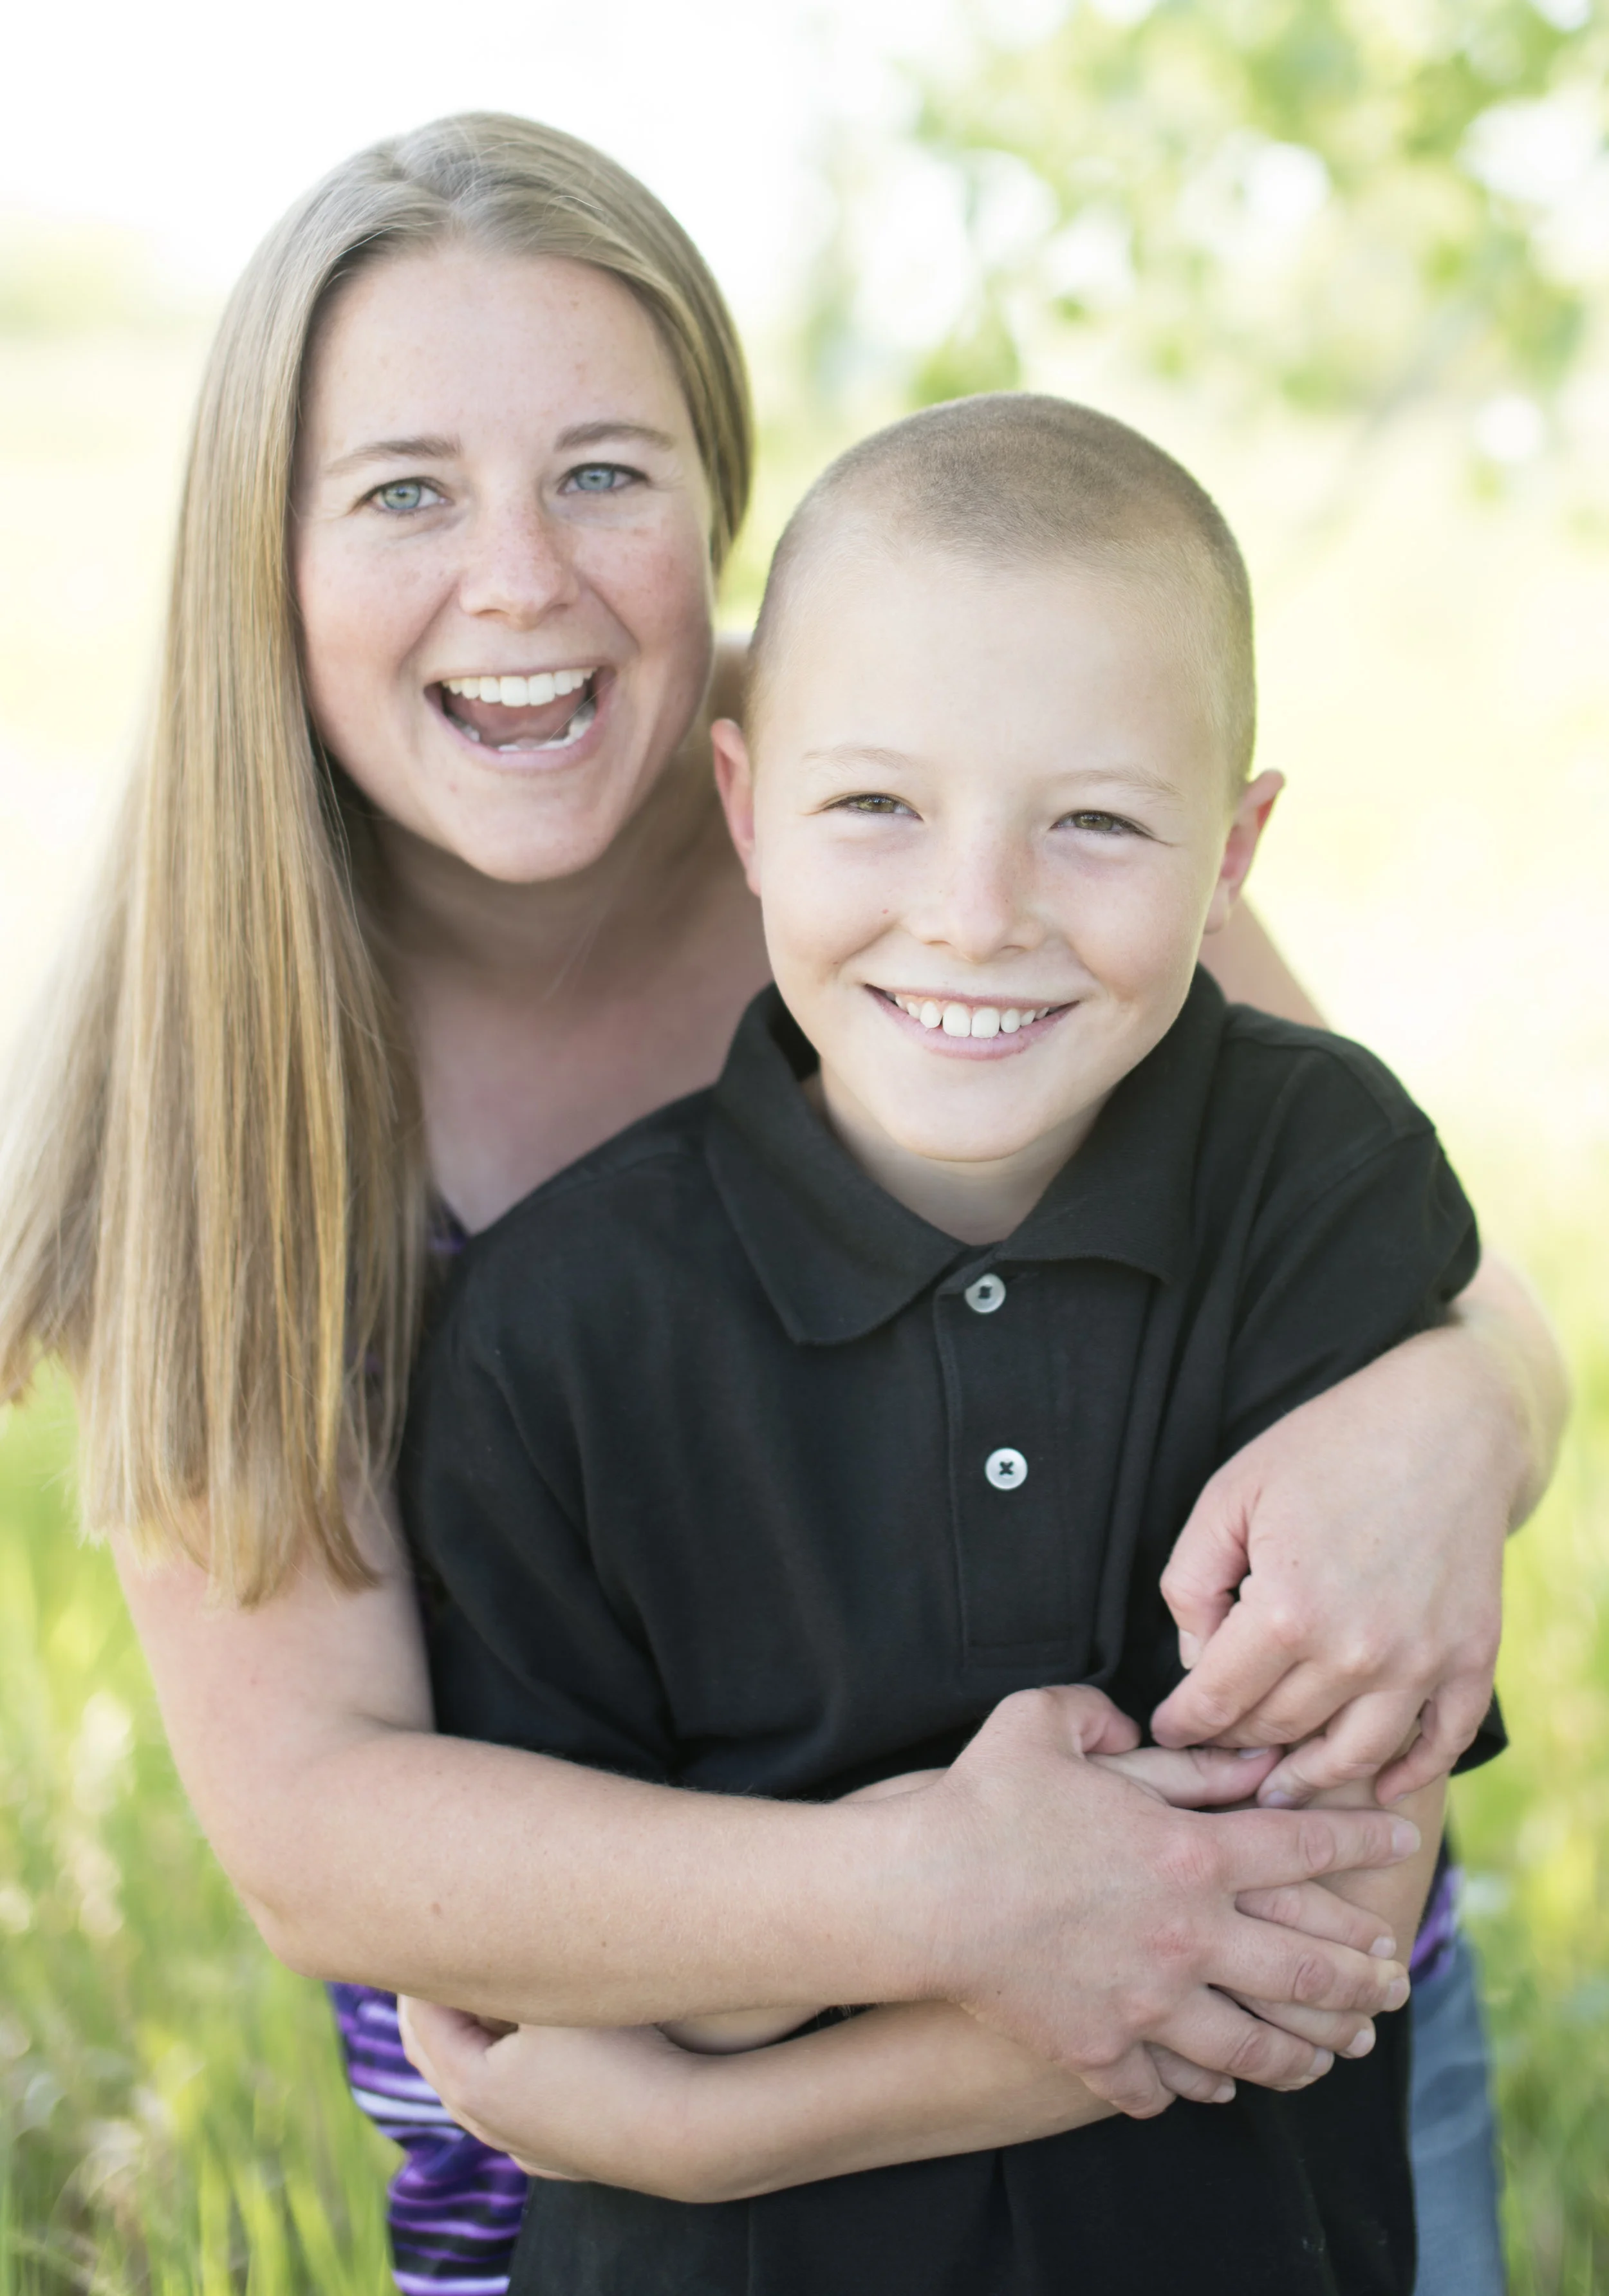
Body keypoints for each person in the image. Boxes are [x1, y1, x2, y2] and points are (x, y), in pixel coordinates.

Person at [0, 115, 1550, 2294]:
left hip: (1251, 2095)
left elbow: (1446, 1294)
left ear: (718, 500)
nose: (522, 577)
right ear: (262, 553)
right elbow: (325, 1834)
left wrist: (1448, 1428)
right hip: (624, 2181)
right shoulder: (221, 1075)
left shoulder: (941, 796)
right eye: (405, 488)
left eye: (605, 470)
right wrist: (828, 2028)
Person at [391, 392, 1492, 2295]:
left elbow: (1328, 1916)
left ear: (1231, 847)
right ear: (743, 808)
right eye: (874, 805)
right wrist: (986, 1918)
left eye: (1089, 823)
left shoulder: (1321, 1174)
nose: (973, 916)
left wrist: (762, 1968)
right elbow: (540, 1993)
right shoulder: (553, 1335)